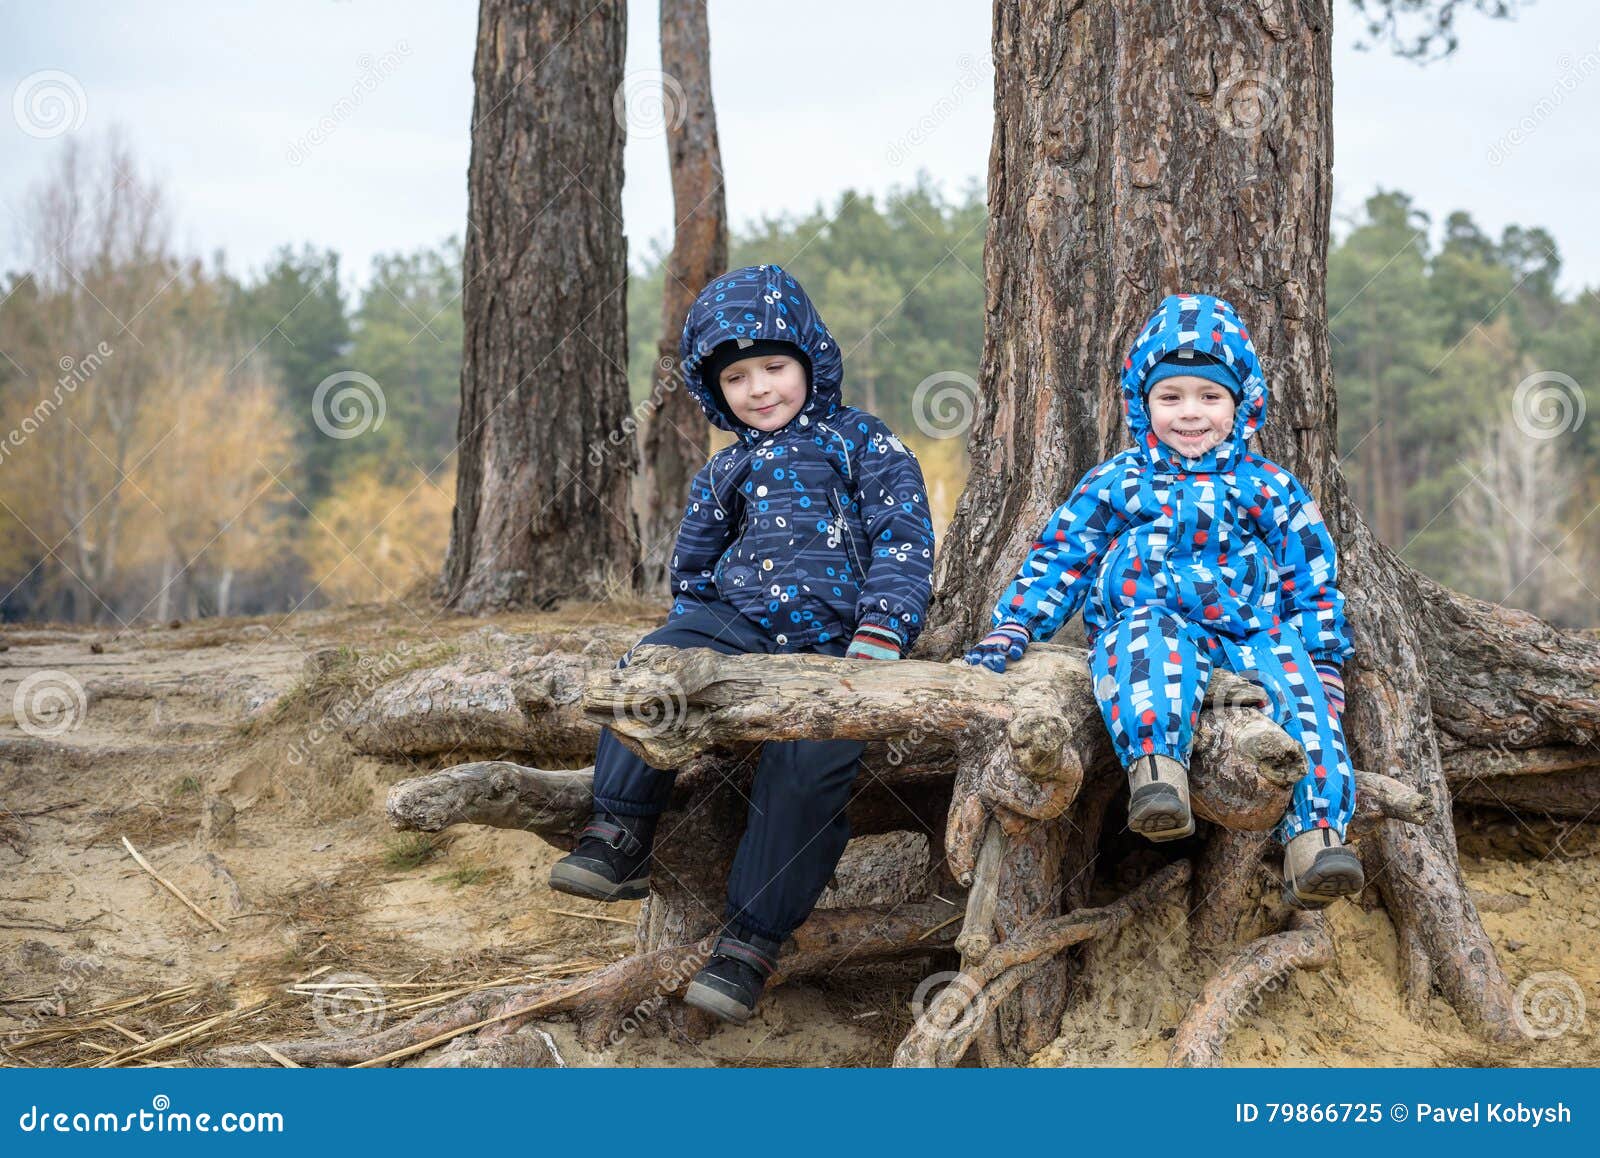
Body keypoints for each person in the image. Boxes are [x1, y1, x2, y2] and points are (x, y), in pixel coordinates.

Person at [549, 264, 936, 1022]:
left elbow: (904, 537)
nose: (759, 389)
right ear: (713, 389)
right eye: (737, 377)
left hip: (834, 647)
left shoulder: (862, 441)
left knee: (809, 764)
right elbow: (693, 565)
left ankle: (750, 941)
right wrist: (694, 629)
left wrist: (883, 628)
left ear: (810, 360)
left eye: (774, 367)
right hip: (741, 626)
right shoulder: (726, 468)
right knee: (658, 661)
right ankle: (619, 826)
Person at [963, 292, 1363, 909]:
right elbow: (1064, 554)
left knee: (1305, 701)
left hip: (1250, 632)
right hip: (1151, 616)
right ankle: (1158, 773)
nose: (1189, 413)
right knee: (1141, 652)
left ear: (1242, 404)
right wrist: (1016, 622)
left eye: (1210, 397)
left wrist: (1326, 658)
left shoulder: (1269, 486)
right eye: (1170, 397)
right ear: (1142, 403)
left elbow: (1309, 578)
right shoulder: (1120, 479)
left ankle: (1318, 840)